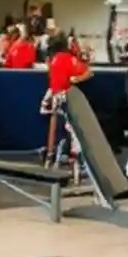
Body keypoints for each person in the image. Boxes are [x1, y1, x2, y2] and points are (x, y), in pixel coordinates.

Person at [41, 35, 92, 164]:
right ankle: (75, 158)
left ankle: (50, 156)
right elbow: (89, 72)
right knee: (72, 127)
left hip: (54, 95)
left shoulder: (51, 60)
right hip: (66, 96)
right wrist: (77, 79)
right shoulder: (69, 59)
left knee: (53, 124)